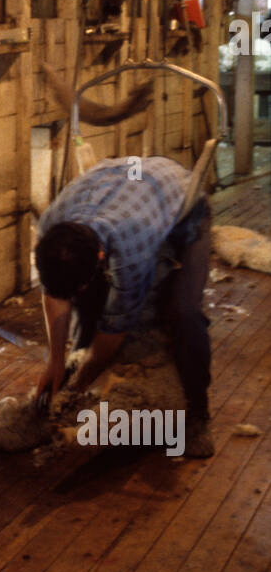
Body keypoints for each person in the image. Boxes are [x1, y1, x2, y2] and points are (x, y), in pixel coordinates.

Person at [33, 156, 214, 457]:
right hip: (132, 188)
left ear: (100, 256)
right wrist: (55, 360)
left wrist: (76, 386)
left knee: (184, 311)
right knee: (89, 302)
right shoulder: (51, 229)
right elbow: (54, 294)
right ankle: (79, 379)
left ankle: (197, 415)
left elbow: (116, 327)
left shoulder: (131, 243)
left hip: (184, 204)